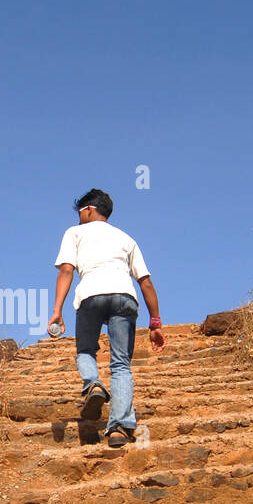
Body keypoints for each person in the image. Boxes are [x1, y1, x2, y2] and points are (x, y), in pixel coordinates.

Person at [48, 188, 165, 449]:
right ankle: (119, 429)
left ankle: (94, 386)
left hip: (91, 296)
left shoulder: (74, 233)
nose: (79, 218)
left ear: (89, 210)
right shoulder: (126, 238)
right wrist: (155, 323)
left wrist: (57, 310)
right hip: (124, 297)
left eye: (80, 212)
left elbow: (67, 270)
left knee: (85, 350)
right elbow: (146, 283)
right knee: (121, 364)